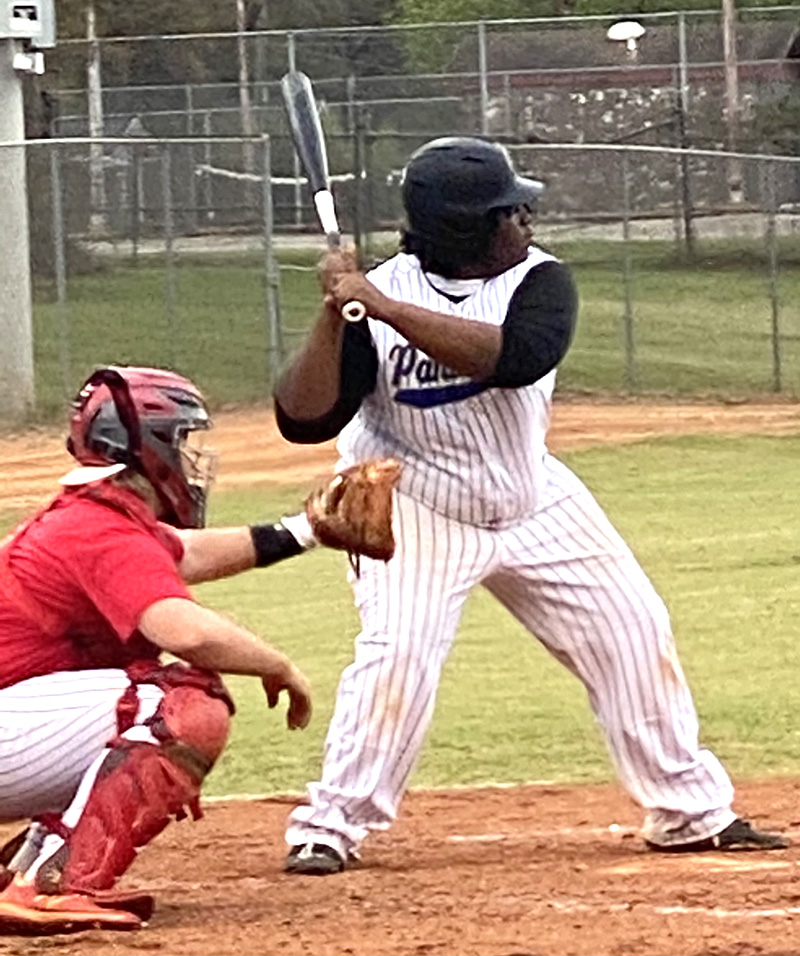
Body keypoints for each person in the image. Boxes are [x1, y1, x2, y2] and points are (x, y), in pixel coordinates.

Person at [272, 136, 788, 876]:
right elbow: (303, 419)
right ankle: (330, 826)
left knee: (634, 630)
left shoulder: (541, 280)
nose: (525, 219)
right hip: (418, 505)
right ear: (465, 229)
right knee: (397, 659)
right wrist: (336, 314)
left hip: (533, 496)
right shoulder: (373, 296)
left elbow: (517, 358)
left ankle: (688, 811)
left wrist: (381, 306)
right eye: (508, 212)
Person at [0, 365, 323, 933]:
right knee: (180, 702)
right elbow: (186, 632)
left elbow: (187, 552)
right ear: (143, 444)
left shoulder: (94, 516)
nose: (190, 457)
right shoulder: (100, 528)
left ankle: (28, 870)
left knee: (146, 701)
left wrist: (306, 531)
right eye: (180, 440)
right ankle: (49, 883)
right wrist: (279, 665)